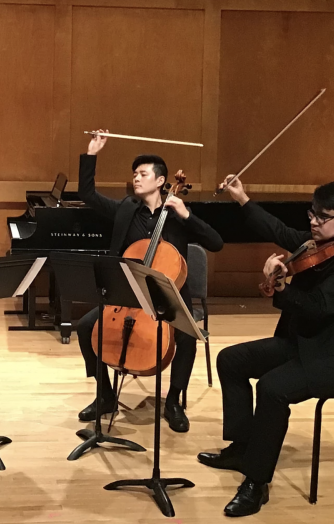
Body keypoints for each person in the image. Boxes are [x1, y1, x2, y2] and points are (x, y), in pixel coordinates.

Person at [198, 175, 334, 517]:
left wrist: (281, 287)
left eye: (321, 217)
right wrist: (242, 198)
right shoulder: (321, 243)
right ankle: (242, 447)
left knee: (273, 387)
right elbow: (281, 232)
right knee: (231, 360)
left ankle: (256, 483)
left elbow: (318, 306)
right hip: (307, 342)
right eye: (312, 214)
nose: (312, 221)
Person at [74, 130, 224, 433]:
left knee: (187, 337)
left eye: (143, 174)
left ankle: (173, 402)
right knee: (86, 326)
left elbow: (216, 242)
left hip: (169, 297)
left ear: (160, 181)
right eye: (134, 174)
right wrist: (91, 154)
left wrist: (186, 213)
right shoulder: (126, 208)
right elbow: (87, 194)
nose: (136, 179)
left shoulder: (178, 216)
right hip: (129, 295)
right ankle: (105, 396)